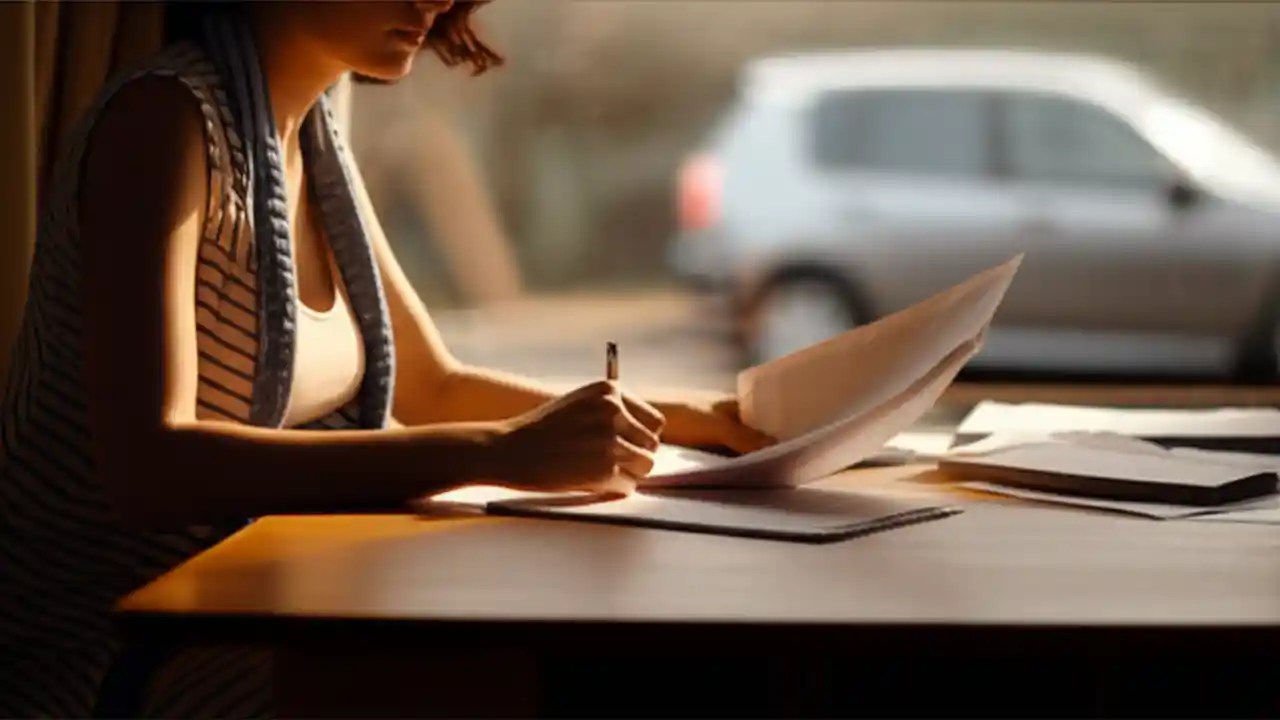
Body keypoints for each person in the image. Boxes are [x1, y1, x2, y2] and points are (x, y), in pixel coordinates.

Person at [0, 1, 772, 715]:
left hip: (265, 602)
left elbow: (433, 384)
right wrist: (507, 452)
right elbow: (149, 467)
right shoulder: (164, 122)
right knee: (557, 674)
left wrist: (703, 419)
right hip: (119, 658)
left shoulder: (307, 133)